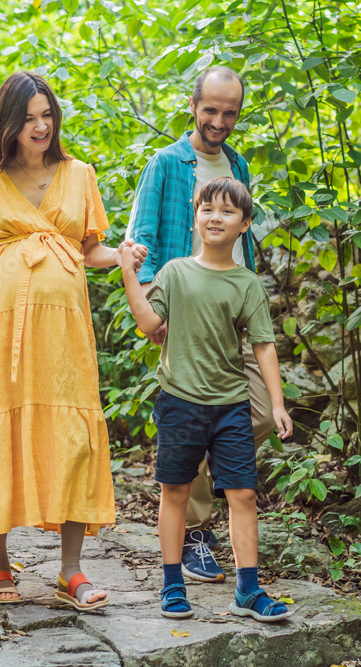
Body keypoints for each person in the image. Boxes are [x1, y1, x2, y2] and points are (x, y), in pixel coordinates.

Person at [0, 71, 146, 607]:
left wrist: (122, 257)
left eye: (46, 115)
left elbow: (87, 249)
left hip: (63, 333)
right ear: (8, 122)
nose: (40, 126)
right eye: (28, 117)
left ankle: (71, 571)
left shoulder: (79, 174)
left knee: (71, 437)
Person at [125, 65, 274, 583]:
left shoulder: (237, 164)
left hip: (229, 313)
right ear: (193, 106)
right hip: (179, 313)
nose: (219, 121)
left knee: (256, 410)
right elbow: (140, 243)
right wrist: (150, 309)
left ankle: (198, 509)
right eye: (210, 110)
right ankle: (192, 531)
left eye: (229, 113)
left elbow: (245, 243)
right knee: (192, 416)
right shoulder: (166, 165)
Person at [121, 177, 294, 622]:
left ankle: (249, 591)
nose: (215, 217)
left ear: (244, 224)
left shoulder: (247, 283)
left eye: (228, 211)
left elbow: (263, 347)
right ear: (195, 218)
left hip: (231, 405)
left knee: (243, 495)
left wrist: (276, 403)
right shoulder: (175, 272)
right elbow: (146, 321)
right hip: (180, 402)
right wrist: (127, 269)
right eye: (207, 209)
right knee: (175, 491)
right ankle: (173, 585)